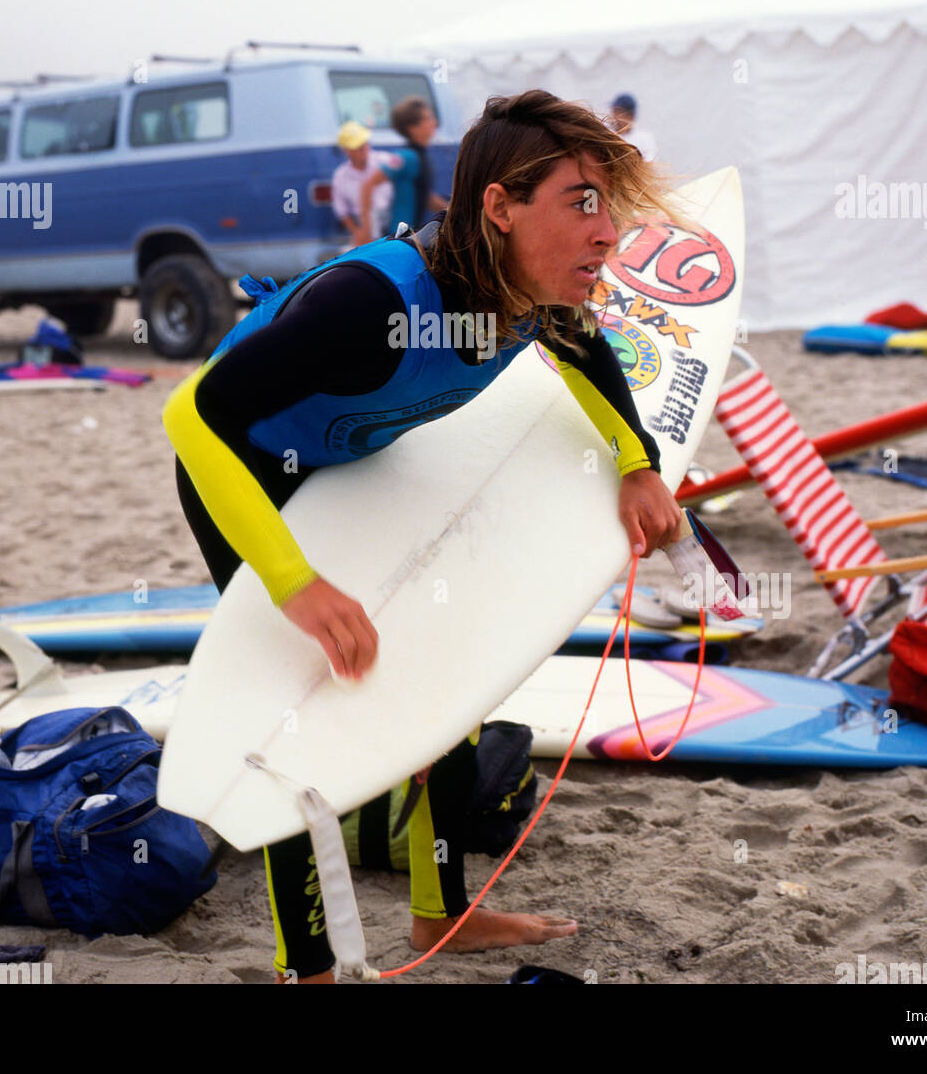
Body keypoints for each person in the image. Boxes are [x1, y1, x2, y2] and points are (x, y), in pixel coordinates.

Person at [163, 88, 682, 983]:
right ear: (500, 207)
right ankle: (310, 968)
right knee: (300, 708)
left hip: (347, 458)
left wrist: (634, 463)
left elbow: (589, 350)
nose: (608, 235)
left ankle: (441, 916)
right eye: (582, 204)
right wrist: (294, 583)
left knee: (441, 683)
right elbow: (192, 416)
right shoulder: (367, 309)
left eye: (610, 209)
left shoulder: (534, 293)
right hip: (242, 470)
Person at [352, 95, 447, 244]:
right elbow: (368, 185)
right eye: (428, 119)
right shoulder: (406, 157)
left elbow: (425, 198)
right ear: (412, 128)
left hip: (413, 237)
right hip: (399, 237)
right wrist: (366, 229)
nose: (434, 123)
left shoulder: (420, 156)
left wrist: (454, 209)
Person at [330, 120, 392, 245]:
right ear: (347, 150)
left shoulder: (385, 160)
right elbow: (341, 210)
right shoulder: (340, 176)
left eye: (364, 143)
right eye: (358, 146)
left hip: (392, 220)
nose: (363, 148)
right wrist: (358, 233)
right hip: (363, 226)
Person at [610, 92, 657, 162]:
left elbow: (649, 163)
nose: (613, 115)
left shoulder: (644, 139)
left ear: (630, 116)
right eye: (613, 111)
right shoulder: (606, 134)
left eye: (617, 112)